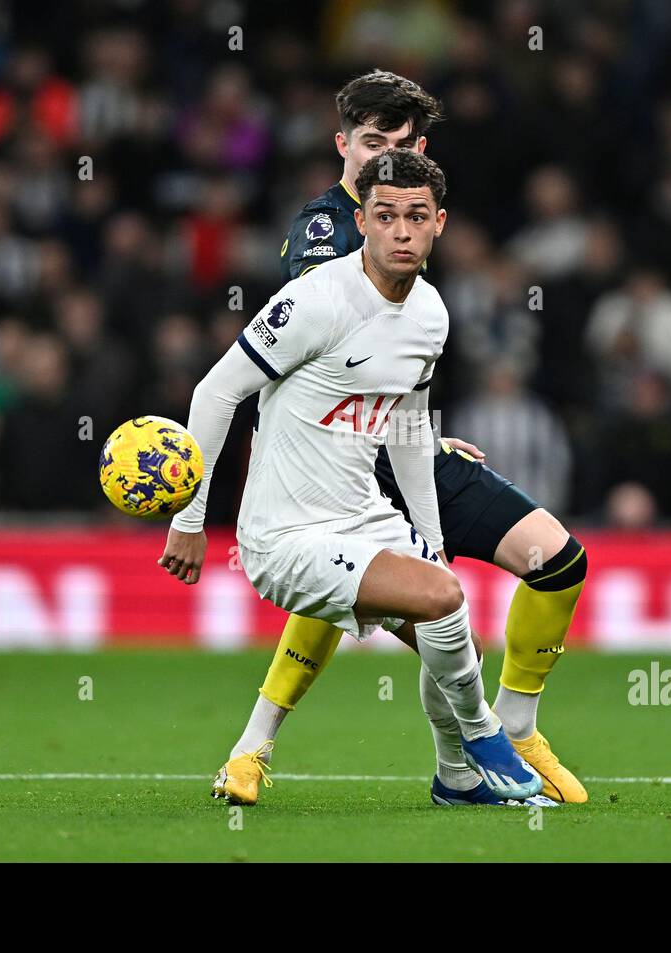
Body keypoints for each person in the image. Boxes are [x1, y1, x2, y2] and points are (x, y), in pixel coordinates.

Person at [228, 70, 589, 805]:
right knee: (394, 600)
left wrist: (425, 436)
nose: (381, 159)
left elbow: (404, 362)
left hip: (411, 447)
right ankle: (257, 746)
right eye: (369, 143)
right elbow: (330, 364)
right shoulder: (328, 230)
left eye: (399, 144)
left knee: (557, 561)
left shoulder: (412, 215)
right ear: (342, 146)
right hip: (340, 459)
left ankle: (514, 729)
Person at [160, 150, 544, 806]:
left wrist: (431, 539)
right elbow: (216, 392)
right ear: (361, 220)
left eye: (416, 217)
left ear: (438, 224)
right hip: (284, 532)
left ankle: (456, 777)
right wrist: (189, 519)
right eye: (386, 215)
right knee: (442, 600)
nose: (401, 230)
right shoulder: (315, 300)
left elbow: (411, 432)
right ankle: (486, 737)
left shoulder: (430, 315)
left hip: (363, 514)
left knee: (455, 640)